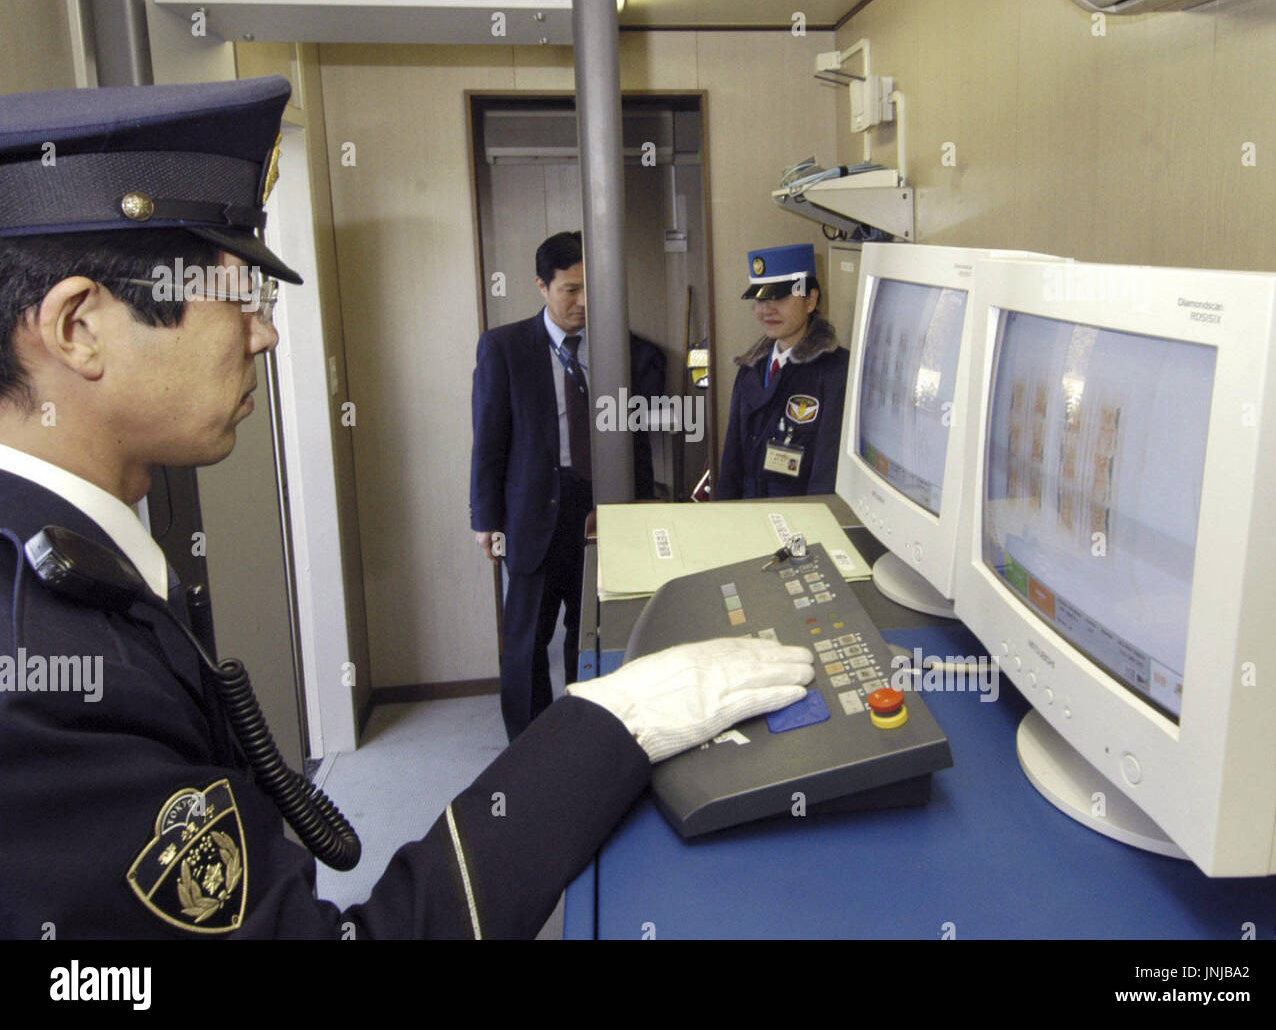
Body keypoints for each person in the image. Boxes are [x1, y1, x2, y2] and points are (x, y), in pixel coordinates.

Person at [0, 77, 813, 938]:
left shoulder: (80, 560)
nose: (265, 333)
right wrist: (611, 725)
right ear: (78, 327)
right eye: (243, 298)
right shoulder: (37, 681)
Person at [470, 231, 663, 741]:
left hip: (603, 507)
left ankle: (586, 739)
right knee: (526, 641)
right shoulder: (505, 348)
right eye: (570, 290)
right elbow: (489, 439)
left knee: (593, 634)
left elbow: (639, 438)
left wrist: (640, 508)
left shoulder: (626, 351)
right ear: (542, 286)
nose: (582, 302)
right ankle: (530, 750)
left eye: (591, 289)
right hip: (533, 509)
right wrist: (485, 520)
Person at [716, 243, 850, 501]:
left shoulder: (834, 372)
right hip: (747, 517)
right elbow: (731, 466)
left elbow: (826, 476)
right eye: (760, 299)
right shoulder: (750, 369)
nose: (766, 310)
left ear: (810, 299)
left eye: (780, 298)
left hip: (799, 521)